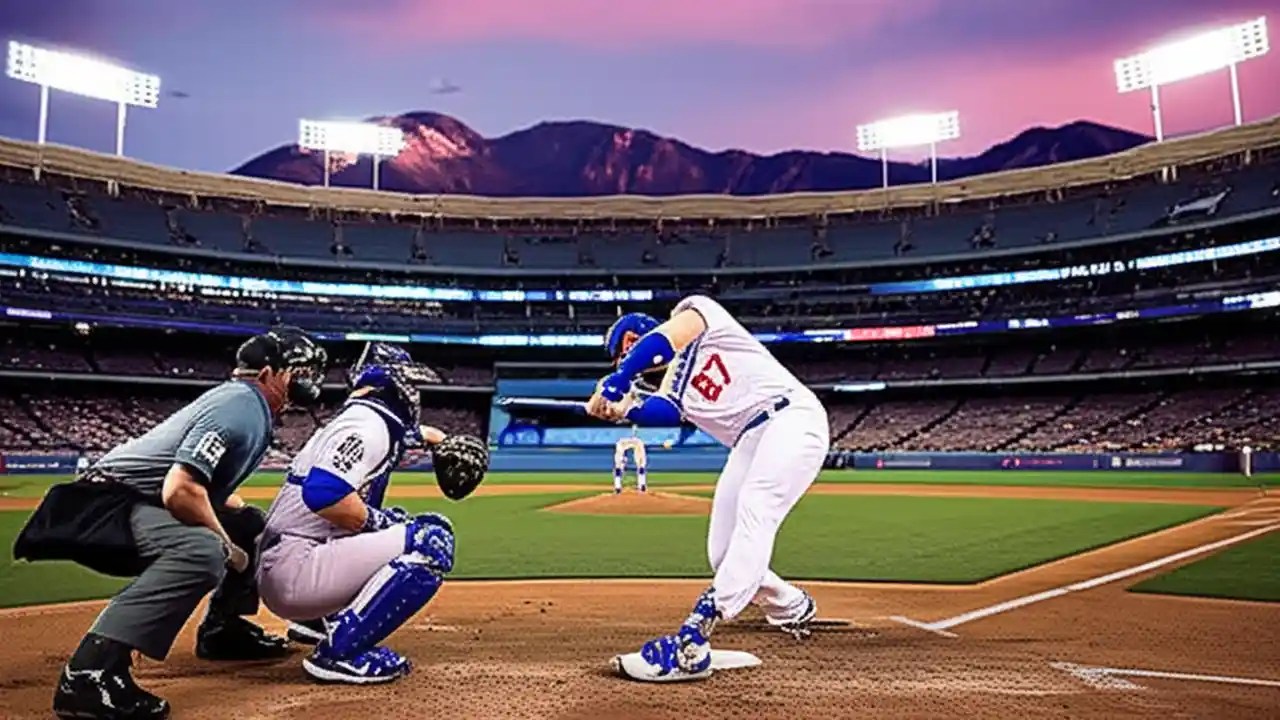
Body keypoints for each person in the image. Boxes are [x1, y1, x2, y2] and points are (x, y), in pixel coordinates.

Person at [51, 327, 328, 719]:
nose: (304, 383)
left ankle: (223, 631)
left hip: (126, 498)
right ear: (268, 374)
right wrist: (228, 549)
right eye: (296, 373)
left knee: (249, 523)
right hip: (101, 506)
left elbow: (200, 485)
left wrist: (235, 523)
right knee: (203, 551)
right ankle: (88, 673)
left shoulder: (244, 402)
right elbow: (180, 490)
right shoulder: (242, 405)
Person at [588, 296, 830, 683]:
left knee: (757, 506)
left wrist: (620, 381)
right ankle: (791, 606)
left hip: (791, 418)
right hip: (749, 440)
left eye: (624, 352)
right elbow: (666, 409)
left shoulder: (696, 312)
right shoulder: (673, 381)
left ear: (633, 340)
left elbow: (665, 340)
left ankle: (694, 638)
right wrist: (625, 410)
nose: (623, 361)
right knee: (721, 552)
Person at [255, 342, 469, 685]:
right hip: (295, 570)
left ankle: (316, 621)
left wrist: (440, 441)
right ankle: (340, 653)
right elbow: (324, 492)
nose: (413, 394)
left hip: (289, 559)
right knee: (432, 540)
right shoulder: (367, 425)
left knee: (397, 521)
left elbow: (408, 435)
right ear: (390, 385)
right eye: (408, 384)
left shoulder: (365, 419)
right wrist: (378, 521)